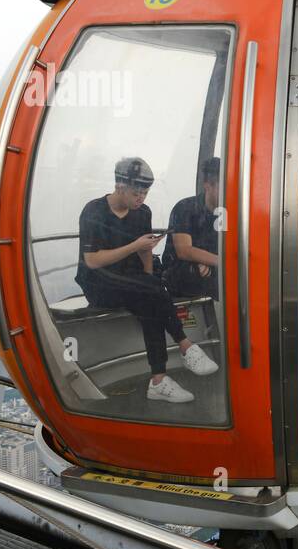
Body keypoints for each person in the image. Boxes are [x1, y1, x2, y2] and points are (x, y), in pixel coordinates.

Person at [75, 157, 219, 404]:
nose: (140, 198)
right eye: (136, 192)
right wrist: (135, 247)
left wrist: (148, 271)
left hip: (130, 280)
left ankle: (158, 380)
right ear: (120, 186)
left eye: (145, 192)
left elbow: (144, 253)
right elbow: (92, 261)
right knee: (151, 290)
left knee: (152, 300)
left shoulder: (143, 212)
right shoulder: (94, 210)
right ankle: (185, 345)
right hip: (99, 283)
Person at [162, 156, 221, 300]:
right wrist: (224, 263)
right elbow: (184, 250)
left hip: (213, 269)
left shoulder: (232, 212)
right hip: (182, 271)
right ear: (208, 186)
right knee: (192, 272)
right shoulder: (185, 208)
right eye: (224, 187)